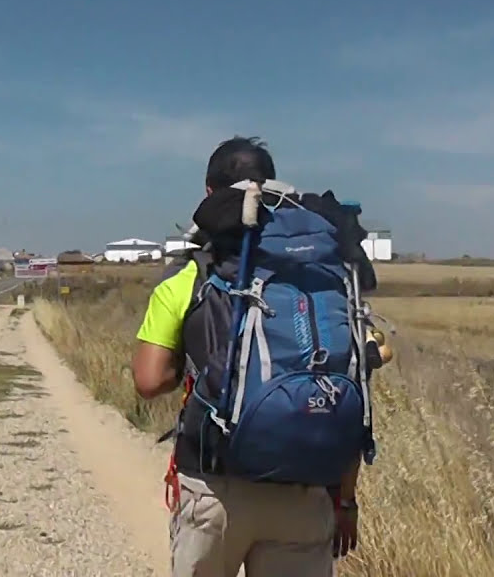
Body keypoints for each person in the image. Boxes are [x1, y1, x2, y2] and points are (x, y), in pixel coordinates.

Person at [131, 136, 362, 577]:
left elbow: (148, 379)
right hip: (305, 489)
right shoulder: (320, 277)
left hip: (215, 485)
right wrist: (345, 499)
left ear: (208, 193)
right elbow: (346, 380)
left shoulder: (191, 275)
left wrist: (202, 365)